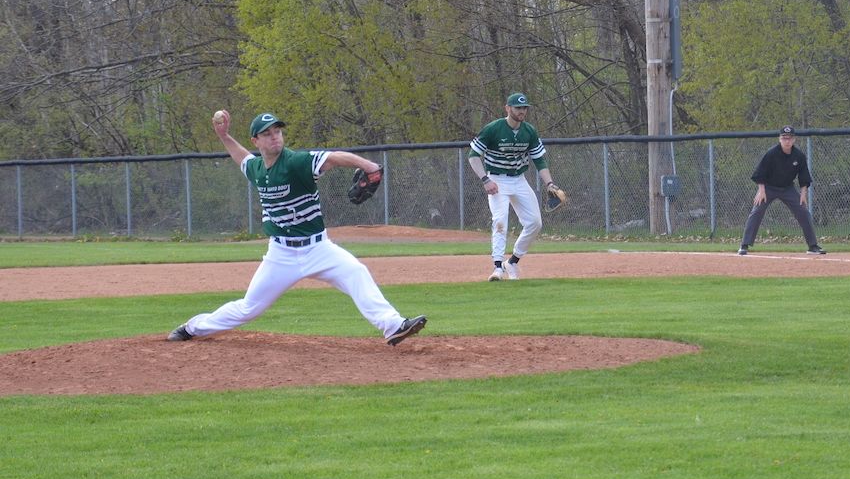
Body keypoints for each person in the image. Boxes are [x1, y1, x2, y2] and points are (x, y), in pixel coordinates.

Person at [167, 110, 427, 345]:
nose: (274, 137)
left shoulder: (296, 162)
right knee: (249, 308)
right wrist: (224, 136)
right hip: (281, 255)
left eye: (277, 131)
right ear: (256, 141)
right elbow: (242, 158)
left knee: (356, 272)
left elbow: (334, 158)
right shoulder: (258, 168)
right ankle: (192, 328)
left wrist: (369, 167)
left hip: (318, 248)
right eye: (267, 134)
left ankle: (393, 325)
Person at [468, 92, 557, 281]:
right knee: (500, 220)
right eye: (518, 107)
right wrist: (485, 179)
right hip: (497, 180)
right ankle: (498, 268)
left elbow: (540, 161)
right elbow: (473, 156)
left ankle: (513, 261)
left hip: (519, 180)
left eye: (524, 108)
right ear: (508, 108)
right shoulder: (493, 129)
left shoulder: (529, 131)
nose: (522, 111)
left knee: (535, 223)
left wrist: (550, 183)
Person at [738, 125, 826, 256]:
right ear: (779, 139)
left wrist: (803, 194)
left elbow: (804, 177)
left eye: (789, 138)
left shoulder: (798, 156)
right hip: (768, 187)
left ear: (794, 140)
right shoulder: (771, 153)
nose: (787, 141)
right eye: (784, 138)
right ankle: (744, 245)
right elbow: (760, 173)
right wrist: (761, 191)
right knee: (757, 211)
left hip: (787, 188)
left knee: (803, 211)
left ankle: (813, 246)